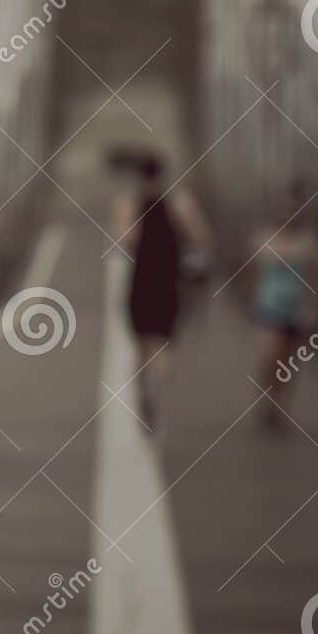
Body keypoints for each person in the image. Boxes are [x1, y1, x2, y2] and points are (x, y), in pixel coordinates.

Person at [111, 153, 213, 434]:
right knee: (164, 344)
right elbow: (200, 237)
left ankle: (145, 394)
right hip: (169, 280)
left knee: (141, 345)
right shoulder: (180, 203)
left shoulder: (129, 203)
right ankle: (157, 388)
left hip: (142, 279)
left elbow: (125, 240)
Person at [245, 185, 318, 430]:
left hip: (295, 308)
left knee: (288, 362)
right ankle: (267, 400)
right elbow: (251, 274)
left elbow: (317, 276)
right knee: (270, 356)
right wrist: (249, 301)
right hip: (268, 307)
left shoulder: (307, 243)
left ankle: (281, 406)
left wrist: (315, 304)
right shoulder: (263, 240)